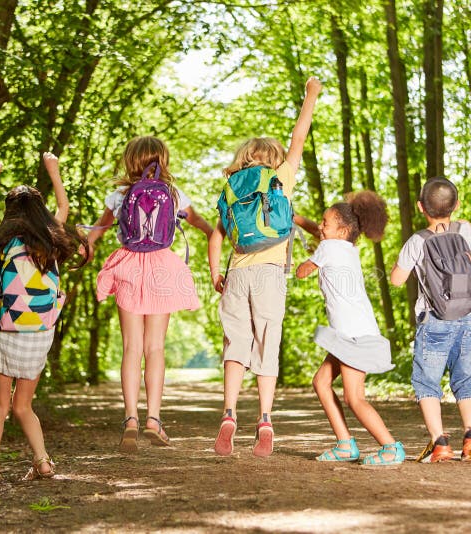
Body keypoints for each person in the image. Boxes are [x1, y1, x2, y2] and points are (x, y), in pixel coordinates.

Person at [208, 76, 322, 457]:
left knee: (236, 344)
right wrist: (310, 94)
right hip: (271, 274)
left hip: (237, 273)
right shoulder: (280, 179)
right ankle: (265, 419)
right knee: (267, 344)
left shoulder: (232, 189)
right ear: (275, 159)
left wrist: (216, 274)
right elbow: (299, 137)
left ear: (244, 159)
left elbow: (215, 237)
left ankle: (229, 414)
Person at [0, 152, 88, 483]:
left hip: (6, 330)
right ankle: (43, 462)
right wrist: (54, 170)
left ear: (10, 211)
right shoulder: (52, 240)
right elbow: (63, 208)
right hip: (40, 333)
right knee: (23, 406)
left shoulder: (1, 240)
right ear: (40, 211)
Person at [85, 136, 213, 453]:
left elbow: (97, 231)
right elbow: (198, 222)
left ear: (130, 160)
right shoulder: (173, 193)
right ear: (162, 160)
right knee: (155, 347)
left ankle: (131, 419)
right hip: (161, 268)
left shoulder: (119, 195)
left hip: (128, 265)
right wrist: (216, 235)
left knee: (132, 347)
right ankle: (153, 419)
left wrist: (83, 247)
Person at [295, 192, 404, 465]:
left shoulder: (329, 248)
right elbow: (320, 233)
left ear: (342, 231)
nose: (321, 226)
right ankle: (345, 445)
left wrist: (297, 253)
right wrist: (295, 219)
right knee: (321, 383)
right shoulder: (346, 247)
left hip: (354, 336)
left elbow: (301, 272)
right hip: (348, 334)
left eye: (326, 223)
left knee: (355, 398)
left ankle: (391, 447)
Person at [391, 177, 471, 462]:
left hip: (433, 319)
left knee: (426, 382)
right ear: (456, 205)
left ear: (420, 207)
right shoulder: (463, 230)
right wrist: (469, 230)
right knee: (466, 378)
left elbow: (397, 280)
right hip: (467, 317)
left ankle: (440, 442)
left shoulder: (417, 241)